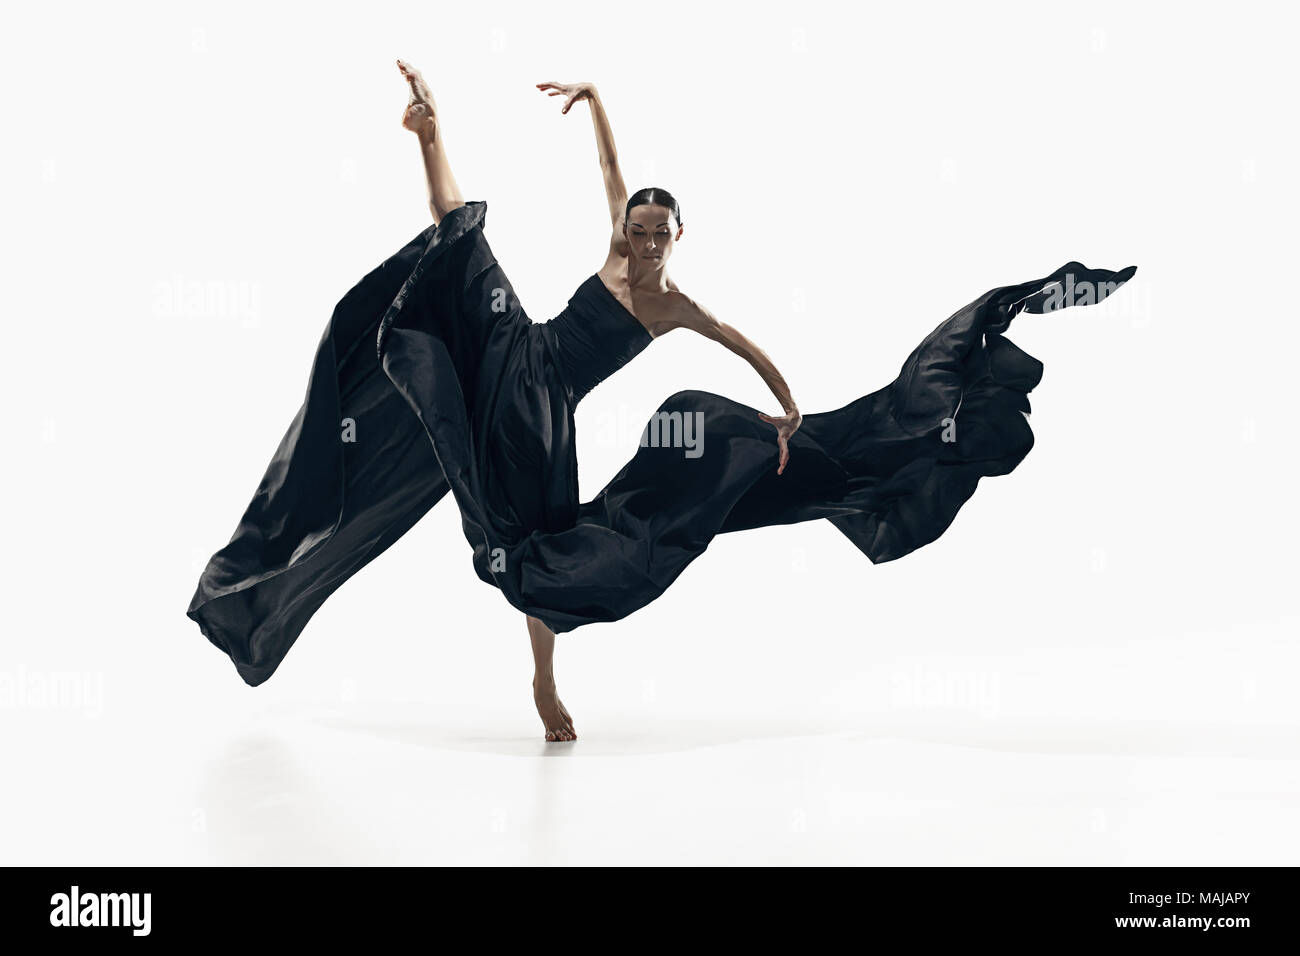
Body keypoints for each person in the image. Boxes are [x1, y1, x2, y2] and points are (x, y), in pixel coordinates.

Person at [186, 60, 1137, 742]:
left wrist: (790, 406)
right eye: (634, 228)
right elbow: (606, 172)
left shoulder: (678, 302)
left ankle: (542, 685)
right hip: (526, 353)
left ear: (679, 234)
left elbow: (743, 344)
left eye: (654, 231)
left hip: (546, 413)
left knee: (541, 550)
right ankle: (431, 137)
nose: (641, 241)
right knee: (456, 253)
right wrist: (599, 100)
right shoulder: (612, 248)